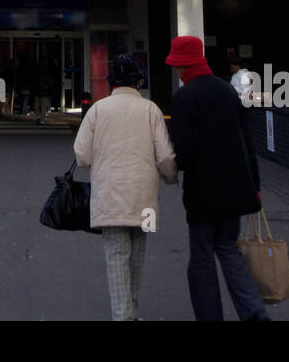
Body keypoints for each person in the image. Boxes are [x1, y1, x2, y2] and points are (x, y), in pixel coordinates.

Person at [166, 36, 270, 322]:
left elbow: (184, 153)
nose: (175, 71)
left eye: (175, 66)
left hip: (203, 191)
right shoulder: (227, 91)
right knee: (229, 250)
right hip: (236, 189)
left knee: (201, 258)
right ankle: (254, 312)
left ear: (183, 66)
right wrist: (255, 187)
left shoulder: (185, 97)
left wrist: (172, 165)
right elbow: (247, 143)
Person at [73, 54, 178, 321]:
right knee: (138, 256)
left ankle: (123, 316)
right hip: (147, 197)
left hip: (110, 196)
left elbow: (82, 156)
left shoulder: (98, 110)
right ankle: (131, 310)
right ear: (137, 82)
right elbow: (165, 157)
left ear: (112, 83)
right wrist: (169, 177)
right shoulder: (151, 110)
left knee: (116, 256)